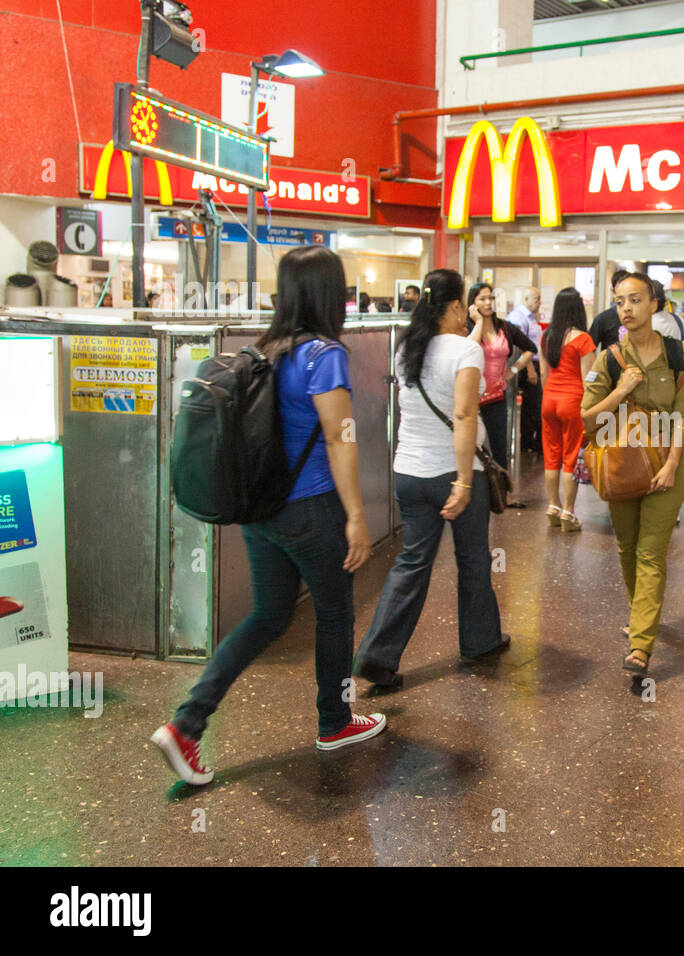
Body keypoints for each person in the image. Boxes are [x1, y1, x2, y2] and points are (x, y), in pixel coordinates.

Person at [151, 245, 384, 786]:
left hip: (263, 511)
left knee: (268, 616)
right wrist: (356, 515)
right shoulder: (324, 354)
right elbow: (339, 437)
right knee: (334, 614)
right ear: (331, 293)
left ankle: (187, 722)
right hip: (312, 509)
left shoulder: (267, 349)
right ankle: (335, 721)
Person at [353, 269, 509, 687]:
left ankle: (377, 654)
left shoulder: (407, 349)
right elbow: (463, 415)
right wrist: (462, 480)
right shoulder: (465, 351)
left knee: (411, 562)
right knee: (473, 559)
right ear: (457, 305)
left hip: (409, 471)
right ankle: (480, 641)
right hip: (452, 473)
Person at [581, 272, 684, 675]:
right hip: (621, 466)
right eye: (619, 301)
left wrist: (671, 462)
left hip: (666, 465)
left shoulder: (681, 354)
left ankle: (641, 644)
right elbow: (588, 421)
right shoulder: (608, 359)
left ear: (654, 304)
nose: (626, 309)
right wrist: (621, 389)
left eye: (635, 300)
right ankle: (641, 617)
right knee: (627, 549)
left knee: (650, 551)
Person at [540, 287, 597, 532]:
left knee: (552, 455)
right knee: (570, 457)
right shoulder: (583, 339)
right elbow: (588, 380)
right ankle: (568, 512)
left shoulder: (546, 337)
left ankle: (552, 506)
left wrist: (550, 394)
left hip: (549, 400)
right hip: (572, 401)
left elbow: (543, 373)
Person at [466, 282, 536, 474]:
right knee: (472, 447)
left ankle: (502, 494)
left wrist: (513, 370)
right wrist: (477, 323)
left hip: (497, 395)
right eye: (482, 299)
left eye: (491, 298)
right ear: (472, 303)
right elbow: (465, 351)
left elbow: (531, 348)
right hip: (470, 397)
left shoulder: (505, 327)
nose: (488, 303)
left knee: (499, 448)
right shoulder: (466, 328)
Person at [507, 287, 544, 455]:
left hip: (535, 364)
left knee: (533, 406)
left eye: (539, 298)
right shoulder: (518, 317)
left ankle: (531, 443)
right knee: (532, 407)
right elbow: (521, 346)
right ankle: (527, 443)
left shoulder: (531, 318)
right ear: (526, 298)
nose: (539, 302)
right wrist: (530, 370)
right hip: (525, 366)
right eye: (536, 298)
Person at [588, 269, 630, 350]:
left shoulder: (639, 316)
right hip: (610, 361)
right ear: (613, 290)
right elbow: (589, 349)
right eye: (620, 288)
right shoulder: (603, 319)